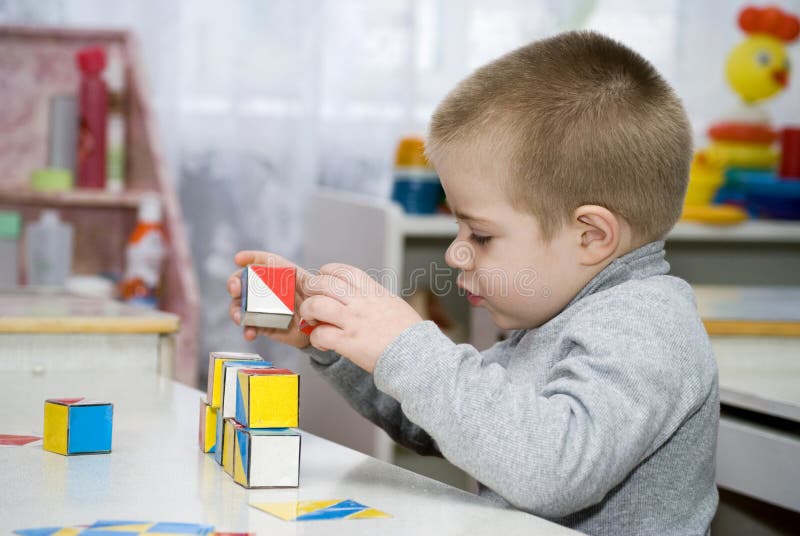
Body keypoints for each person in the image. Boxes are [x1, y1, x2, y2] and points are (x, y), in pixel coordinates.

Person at [227, 31, 718, 536]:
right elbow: (449, 419)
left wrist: (405, 345)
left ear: (590, 236)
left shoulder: (647, 326)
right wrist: (335, 338)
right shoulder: (556, 318)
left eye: (480, 234)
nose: (455, 252)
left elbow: (551, 468)